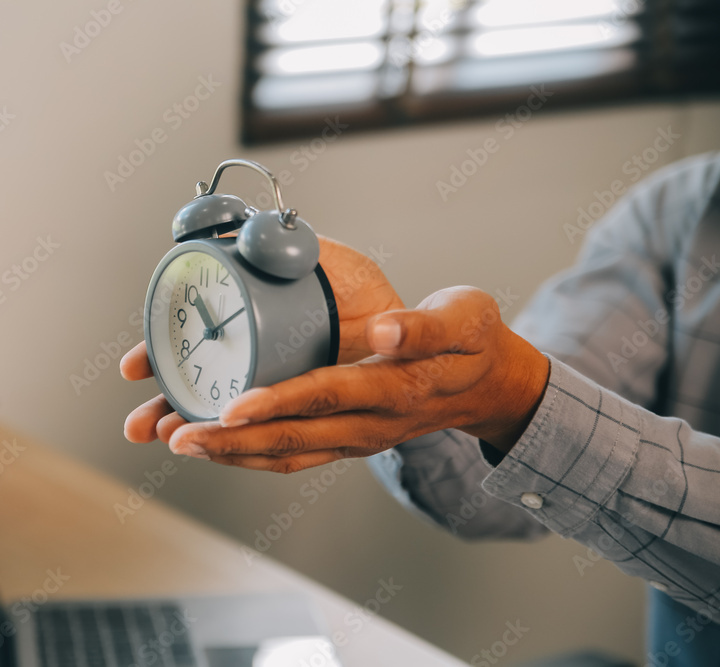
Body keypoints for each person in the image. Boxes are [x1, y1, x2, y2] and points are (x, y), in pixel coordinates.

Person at [120, 152, 720, 663]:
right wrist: (420, 379)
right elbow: (493, 493)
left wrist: (517, 398)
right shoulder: (678, 213)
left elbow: (538, 410)